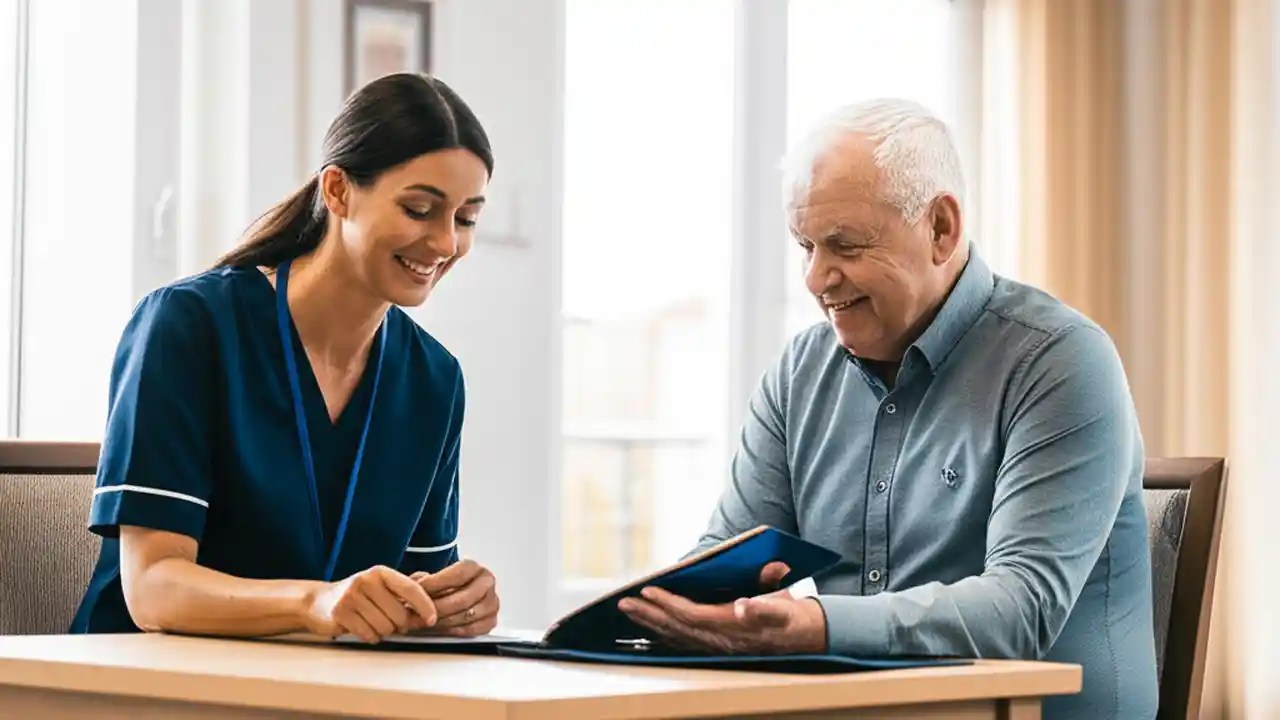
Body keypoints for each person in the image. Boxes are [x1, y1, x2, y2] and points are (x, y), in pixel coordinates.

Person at [618, 99, 1157, 720]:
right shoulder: (799, 374)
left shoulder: (1060, 361)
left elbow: (1020, 609)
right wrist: (656, 615)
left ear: (941, 228)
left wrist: (815, 626)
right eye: (806, 246)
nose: (818, 278)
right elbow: (723, 563)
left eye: (844, 245)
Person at [71, 73, 500, 644]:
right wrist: (313, 603)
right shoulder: (189, 326)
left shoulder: (434, 378)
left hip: (322, 690)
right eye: (420, 209)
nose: (446, 243)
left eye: (466, 218)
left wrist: (448, 607)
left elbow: (413, 594)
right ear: (338, 191)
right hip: (144, 684)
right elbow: (153, 589)